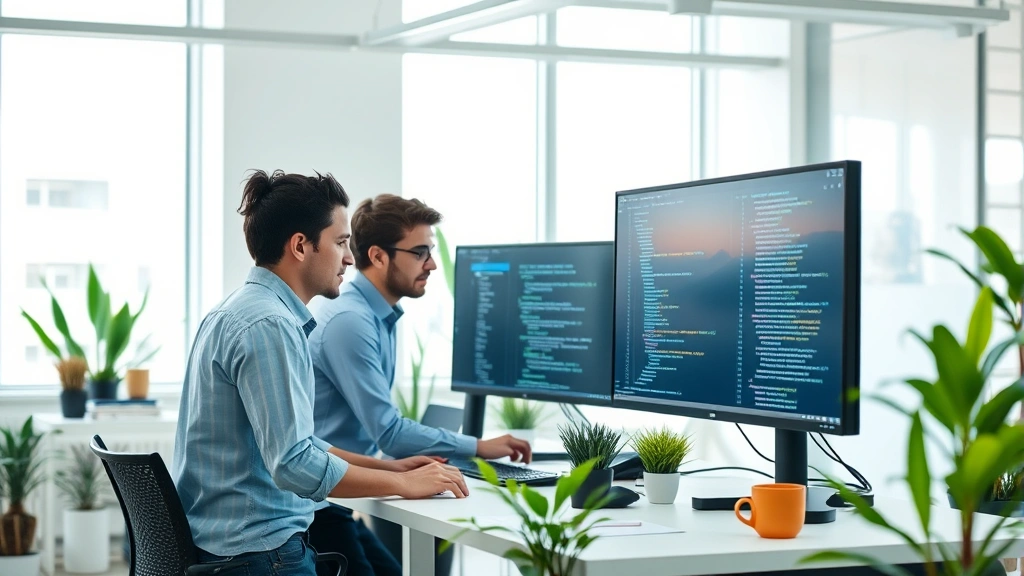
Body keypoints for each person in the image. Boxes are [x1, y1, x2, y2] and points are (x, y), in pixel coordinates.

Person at [172, 171, 469, 576]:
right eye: (341, 243)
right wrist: (405, 485)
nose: (350, 258)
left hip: (234, 547)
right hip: (260, 556)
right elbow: (294, 464)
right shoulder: (270, 325)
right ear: (300, 246)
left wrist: (389, 468)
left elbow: (298, 441)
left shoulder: (237, 311)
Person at [308, 194, 532, 575]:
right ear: (378, 256)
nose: (431, 264)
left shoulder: (379, 316)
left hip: (334, 500)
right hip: (315, 507)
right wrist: (480, 446)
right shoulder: (351, 321)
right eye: (420, 252)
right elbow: (390, 433)